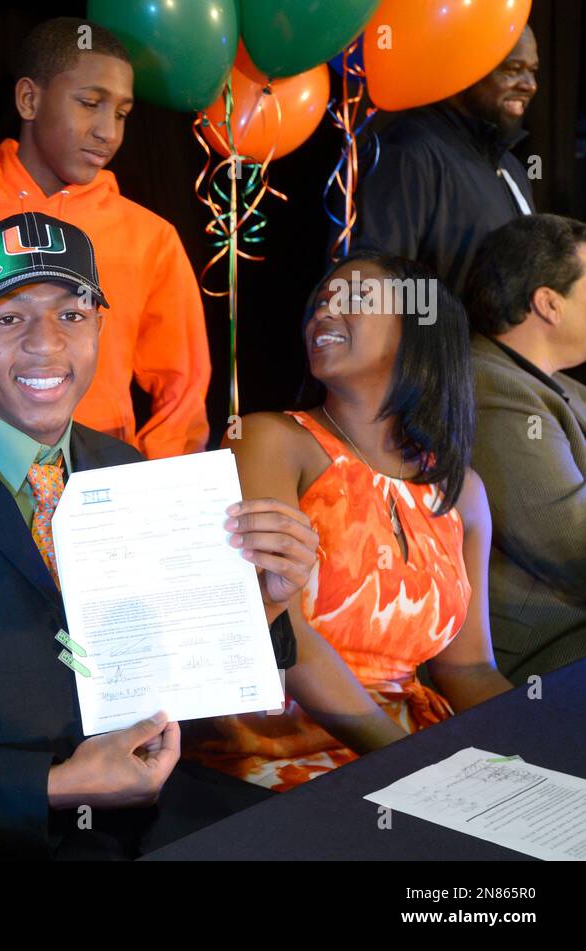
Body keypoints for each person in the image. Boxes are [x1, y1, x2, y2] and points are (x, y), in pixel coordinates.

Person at [0, 213, 317, 859]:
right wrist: (55, 784)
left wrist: (262, 601)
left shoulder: (128, 471)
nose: (46, 344)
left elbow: (176, 692)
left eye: (71, 315)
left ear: (100, 326)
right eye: (9, 318)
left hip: (156, 807)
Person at [186, 254, 512, 791]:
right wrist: (411, 765)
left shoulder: (462, 490)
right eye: (319, 304)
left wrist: (541, 737)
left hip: (416, 747)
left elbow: (468, 668)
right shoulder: (268, 440)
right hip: (279, 754)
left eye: (355, 300)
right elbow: (281, 633)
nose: (324, 314)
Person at [0, 16, 209, 460]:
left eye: (121, 114)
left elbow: (183, 391)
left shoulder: (150, 237)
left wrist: (149, 487)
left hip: (103, 495)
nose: (108, 132)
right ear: (28, 98)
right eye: (89, 103)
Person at [464, 214, 586, 682]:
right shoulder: (491, 385)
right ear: (549, 303)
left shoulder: (562, 386)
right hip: (550, 648)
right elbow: (572, 547)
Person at [348, 24, 538, 294]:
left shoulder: (512, 167)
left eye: (533, 71)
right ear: (466, 69)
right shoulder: (409, 153)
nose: (529, 85)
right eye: (512, 69)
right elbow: (372, 287)